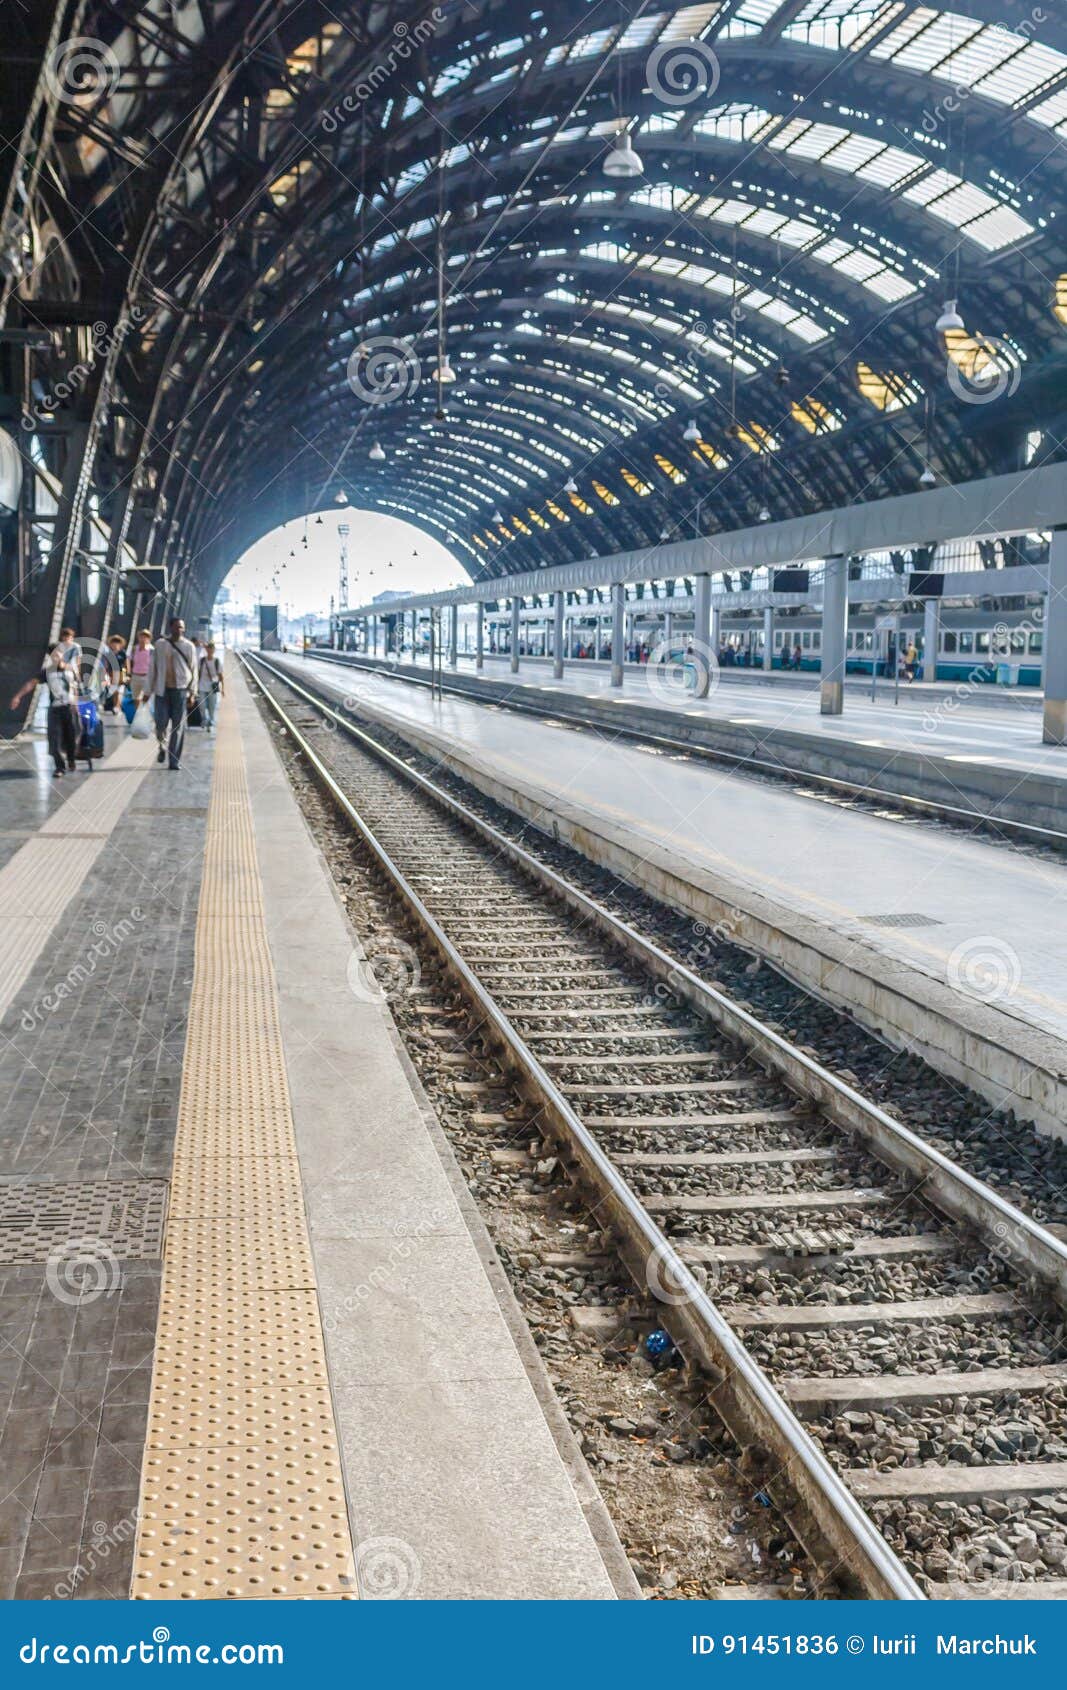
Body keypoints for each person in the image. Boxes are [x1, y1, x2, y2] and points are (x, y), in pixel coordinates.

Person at [10, 646, 80, 777]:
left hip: (69, 708)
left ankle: (71, 759)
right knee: (54, 739)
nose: (55, 658)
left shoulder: (71, 670)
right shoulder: (47, 672)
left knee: (71, 737)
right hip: (55, 710)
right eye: (53, 656)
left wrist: (76, 703)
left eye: (58, 655)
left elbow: (75, 688)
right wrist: (18, 696)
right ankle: (59, 767)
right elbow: (31, 683)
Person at [145, 616, 197, 769]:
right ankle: (162, 746)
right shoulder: (160, 645)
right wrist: (148, 691)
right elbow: (152, 668)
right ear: (170, 628)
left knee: (178, 727)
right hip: (162, 691)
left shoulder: (189, 646)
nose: (179, 630)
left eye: (182, 627)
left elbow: (194, 670)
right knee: (160, 724)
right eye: (177, 627)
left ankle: (174, 761)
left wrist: (192, 692)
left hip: (180, 691)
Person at [197, 642, 224, 733]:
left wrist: (223, 688)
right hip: (201, 686)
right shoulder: (201, 661)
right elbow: (197, 673)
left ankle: (211, 721)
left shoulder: (217, 661)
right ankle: (204, 720)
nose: (210, 650)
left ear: (214, 650)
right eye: (208, 648)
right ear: (206, 650)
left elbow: (221, 676)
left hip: (212, 687)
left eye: (212, 649)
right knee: (202, 705)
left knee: (212, 706)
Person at [100, 633, 127, 712]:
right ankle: (113, 705)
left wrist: (128, 675)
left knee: (119, 691)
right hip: (111, 673)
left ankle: (117, 707)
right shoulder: (108, 653)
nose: (115, 644)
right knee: (113, 690)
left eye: (117, 642)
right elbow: (105, 664)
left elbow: (126, 664)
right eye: (113, 642)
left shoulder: (122, 653)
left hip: (121, 673)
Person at [128, 628, 153, 702]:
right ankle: (138, 713)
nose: (143, 639)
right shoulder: (134, 649)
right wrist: (128, 674)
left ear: (149, 639)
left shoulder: (152, 650)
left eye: (146, 637)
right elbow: (129, 660)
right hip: (135, 676)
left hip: (146, 677)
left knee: (145, 698)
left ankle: (143, 712)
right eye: (141, 636)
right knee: (136, 698)